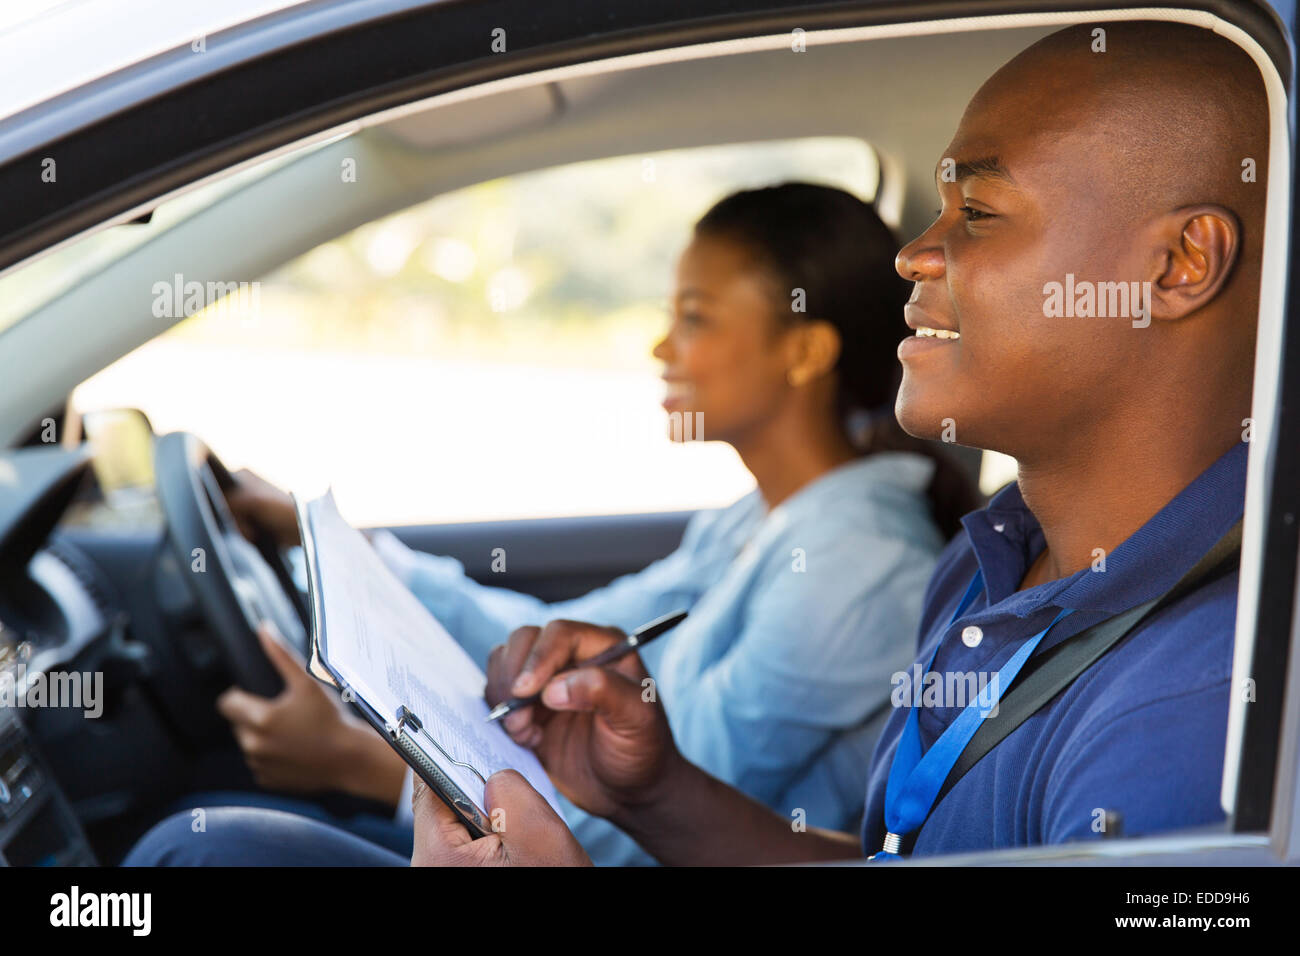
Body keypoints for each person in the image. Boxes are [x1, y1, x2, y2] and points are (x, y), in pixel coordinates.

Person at [128, 16, 1264, 867]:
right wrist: (654, 789)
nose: (917, 254)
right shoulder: (993, 560)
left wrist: (362, 764)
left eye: (977, 213)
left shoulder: (1187, 711)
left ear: (1175, 266)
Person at [166, 183, 976, 865]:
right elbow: (557, 632)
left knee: (202, 849)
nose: (663, 344)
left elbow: (654, 821)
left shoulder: (858, 563)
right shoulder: (764, 519)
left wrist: (360, 764)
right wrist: (364, 557)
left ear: (804, 351)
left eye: (695, 318)